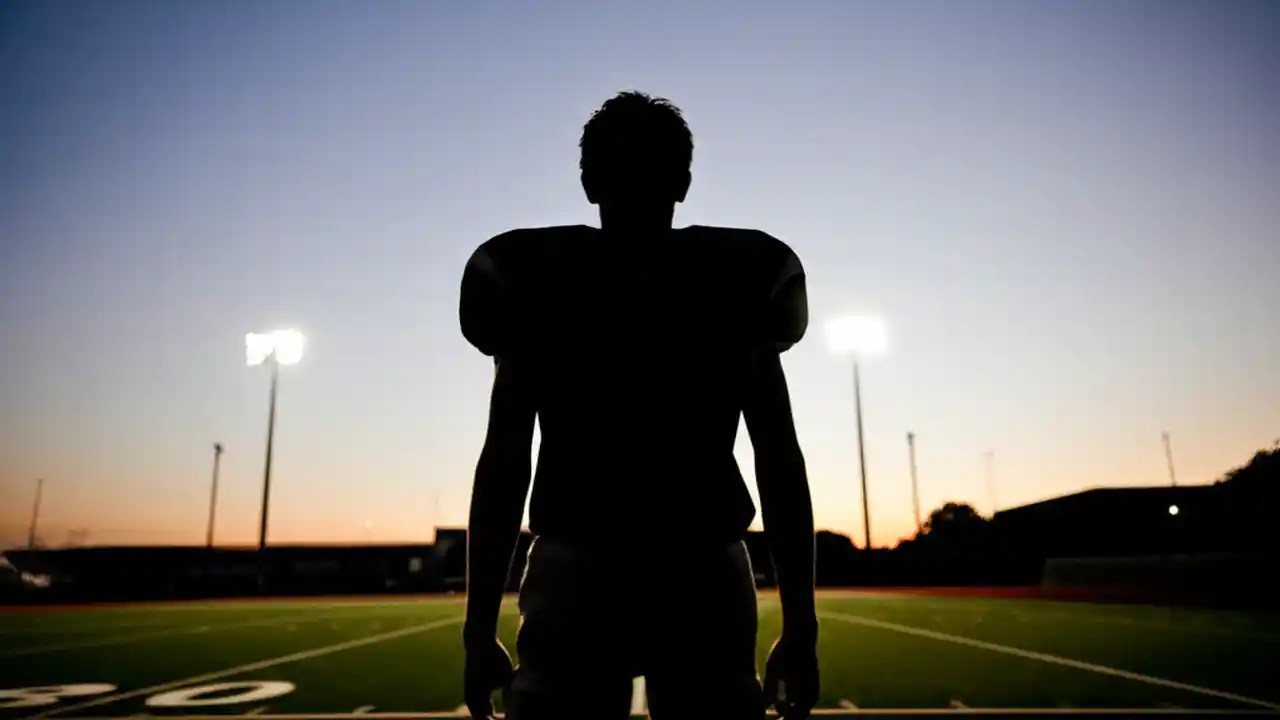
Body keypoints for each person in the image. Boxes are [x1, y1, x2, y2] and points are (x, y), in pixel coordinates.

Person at [459, 91, 818, 720]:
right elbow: (780, 461)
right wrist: (802, 627)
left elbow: (505, 462)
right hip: (701, 566)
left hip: (579, 569)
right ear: (683, 181)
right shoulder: (740, 275)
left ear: (586, 180)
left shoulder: (533, 277)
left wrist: (477, 627)